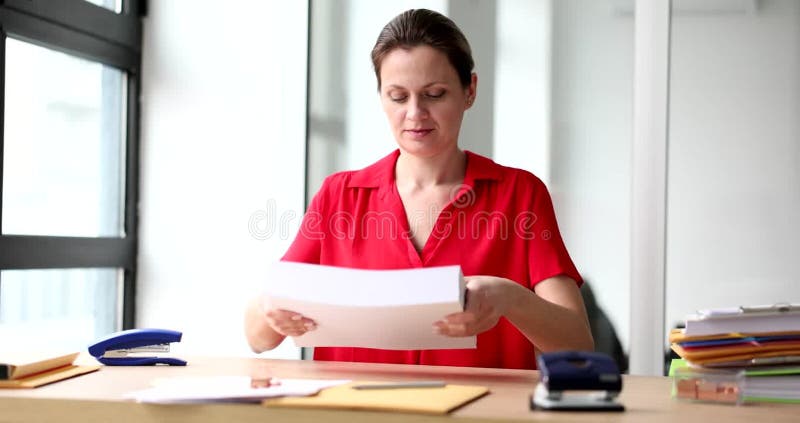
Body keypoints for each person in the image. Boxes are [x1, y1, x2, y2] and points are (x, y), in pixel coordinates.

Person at [245, 8, 593, 369]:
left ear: (469, 90)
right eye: (398, 96)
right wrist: (270, 307)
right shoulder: (339, 196)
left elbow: (579, 347)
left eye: (435, 94)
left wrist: (509, 298)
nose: (415, 113)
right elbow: (258, 338)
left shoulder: (520, 194)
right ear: (381, 97)